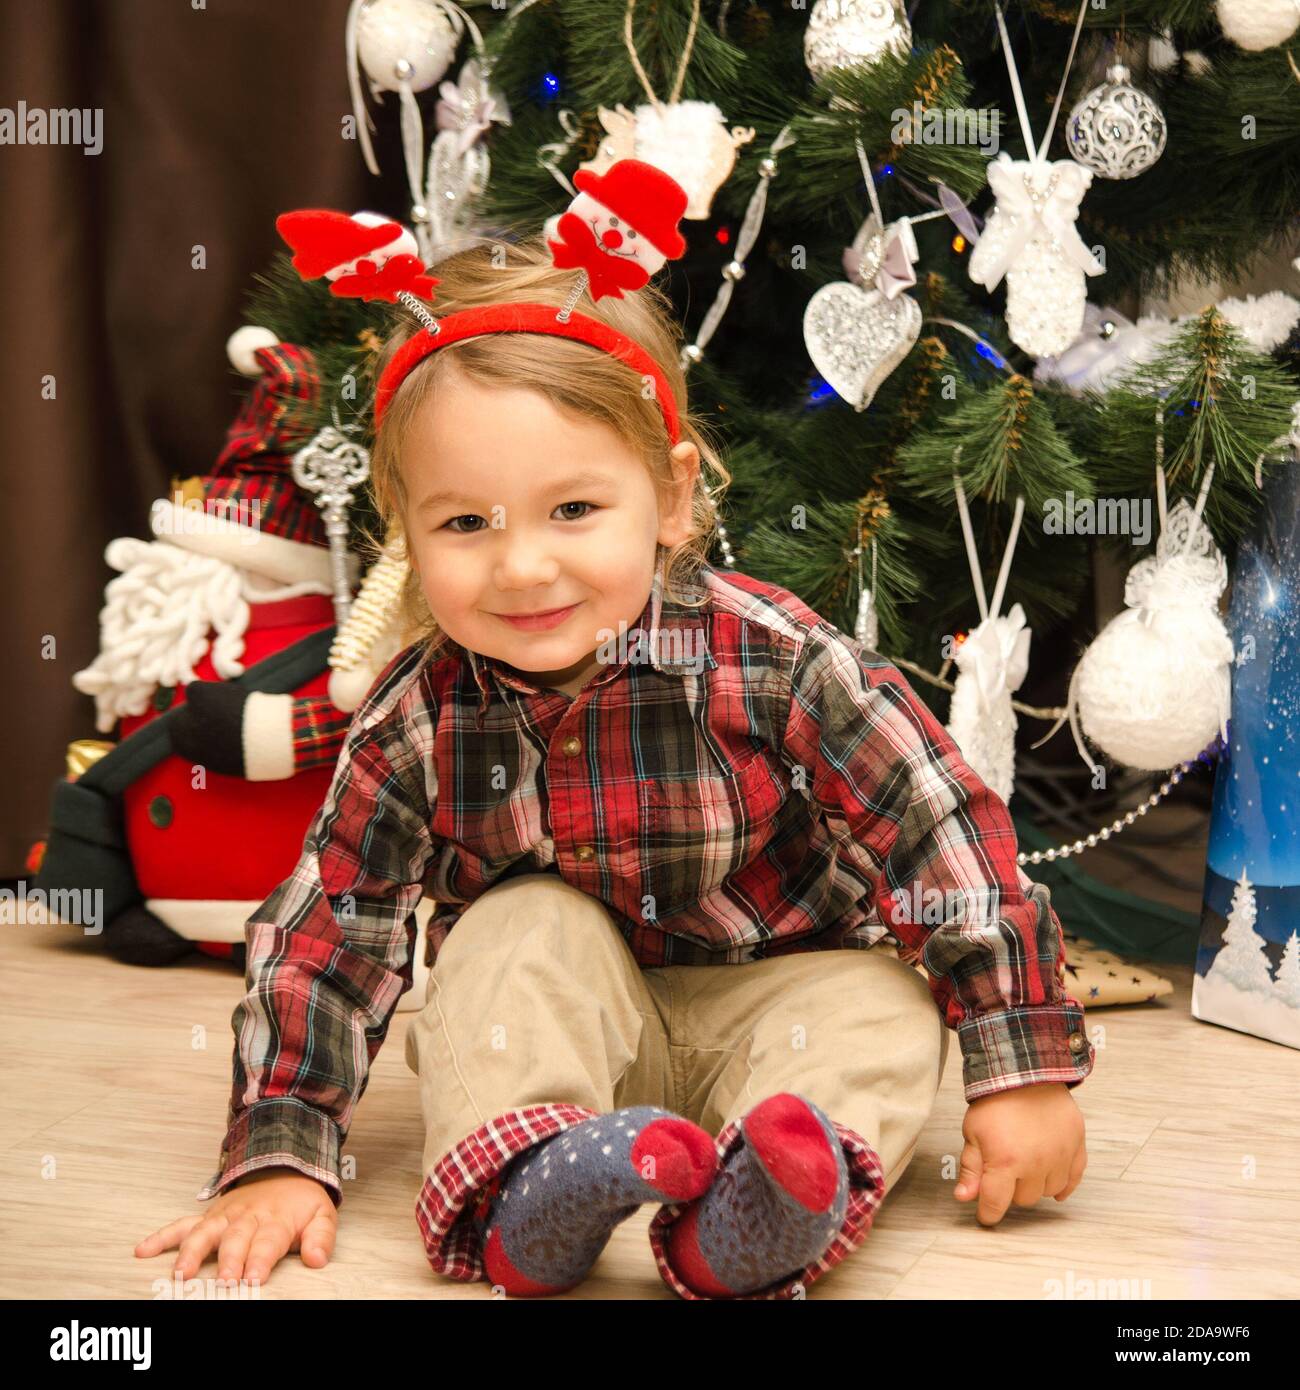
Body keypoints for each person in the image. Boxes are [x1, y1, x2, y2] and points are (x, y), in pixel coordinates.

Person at [136, 169, 1091, 1300]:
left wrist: (1017, 1060)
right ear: (405, 530)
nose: (524, 563)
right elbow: (326, 934)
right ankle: (539, 1179)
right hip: (569, 1027)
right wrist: (283, 1146)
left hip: (778, 998)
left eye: (574, 509)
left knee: (880, 1002)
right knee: (513, 931)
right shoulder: (413, 719)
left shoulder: (771, 656)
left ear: (671, 496)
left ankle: (761, 1203)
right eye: (464, 523)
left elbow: (936, 827)